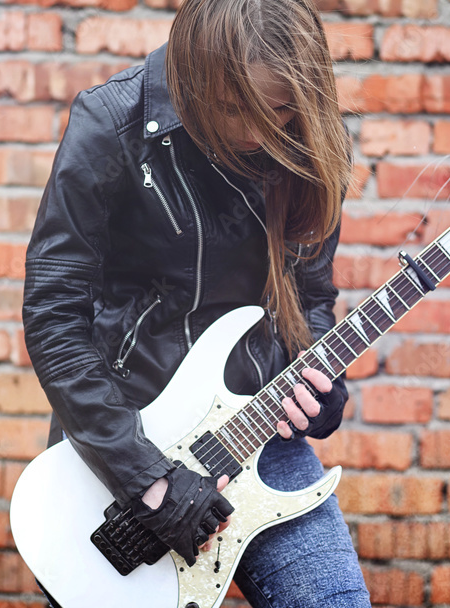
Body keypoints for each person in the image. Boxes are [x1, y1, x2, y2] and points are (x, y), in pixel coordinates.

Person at [22, 0, 370, 606]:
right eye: (238, 109)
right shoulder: (112, 125)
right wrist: (145, 478)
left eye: (281, 110)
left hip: (260, 437)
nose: (259, 134)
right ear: (196, 73)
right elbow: (55, 315)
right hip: (124, 442)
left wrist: (320, 375)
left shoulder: (310, 136)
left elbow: (310, 292)